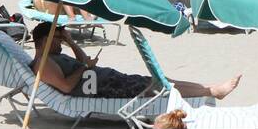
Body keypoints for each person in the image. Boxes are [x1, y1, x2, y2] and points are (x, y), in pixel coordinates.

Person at [30, 22, 241, 100]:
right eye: (57, 38)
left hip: (104, 79)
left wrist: (69, 40)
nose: (60, 42)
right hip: (101, 88)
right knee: (157, 87)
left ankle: (210, 89)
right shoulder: (43, 64)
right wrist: (85, 67)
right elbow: (66, 87)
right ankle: (212, 91)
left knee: (160, 80)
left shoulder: (53, 56)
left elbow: (84, 60)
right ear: (44, 40)